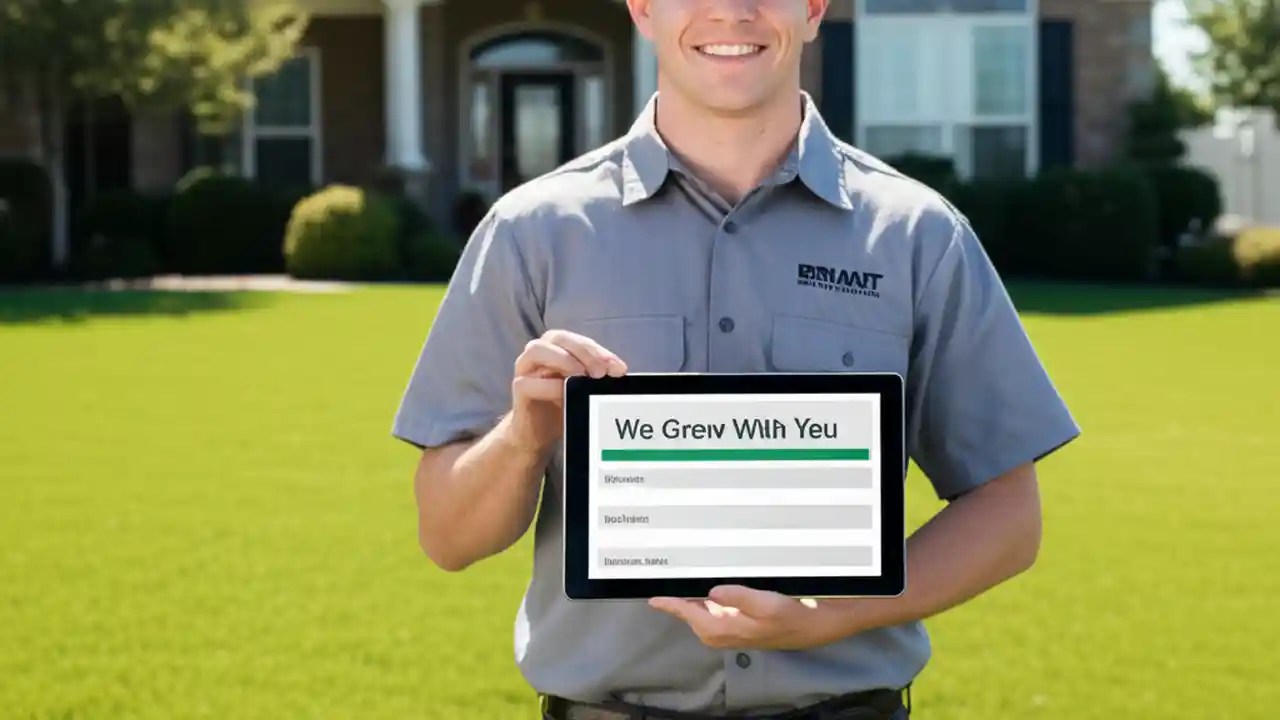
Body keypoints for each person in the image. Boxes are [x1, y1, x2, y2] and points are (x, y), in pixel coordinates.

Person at [390, 1, 1081, 718]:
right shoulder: (530, 235)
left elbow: (1008, 515)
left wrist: (834, 616)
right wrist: (523, 437)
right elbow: (447, 537)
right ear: (643, 9)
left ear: (814, 9)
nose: (731, 10)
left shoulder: (917, 237)